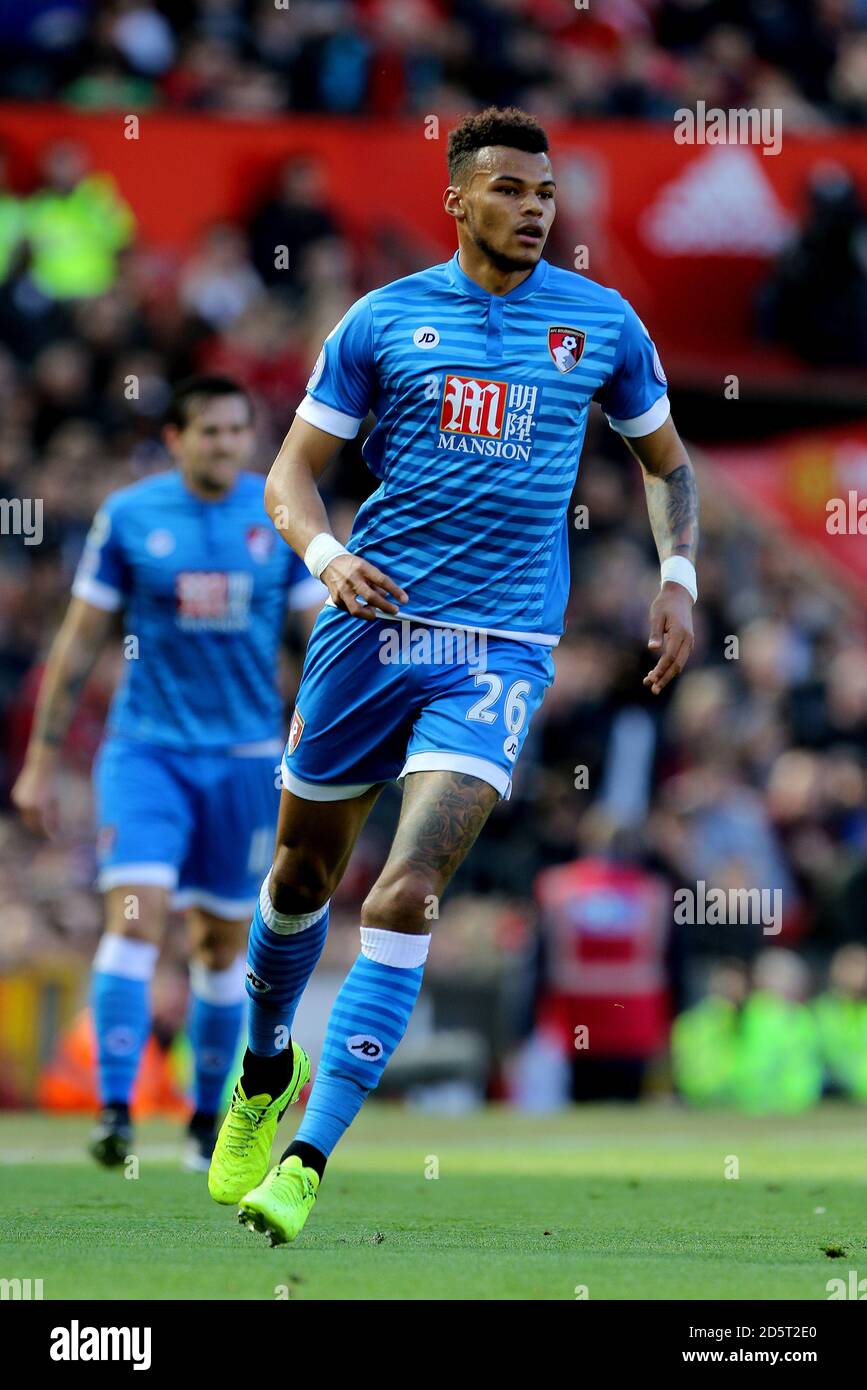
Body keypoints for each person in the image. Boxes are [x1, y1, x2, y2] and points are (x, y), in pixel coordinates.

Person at [207, 105, 700, 1245]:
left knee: (406, 887)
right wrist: (328, 561)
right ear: (458, 200)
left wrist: (678, 574)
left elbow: (667, 464)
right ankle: (262, 1066)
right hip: (369, 633)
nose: (535, 209)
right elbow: (289, 479)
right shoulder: (383, 322)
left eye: (546, 193)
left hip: (498, 649)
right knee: (296, 881)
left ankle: (307, 1162)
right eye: (512, 191)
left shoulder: (601, 323)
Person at [11, 374, 324, 1169]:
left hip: (248, 762)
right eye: (209, 431)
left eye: (236, 430)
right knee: (136, 917)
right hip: (145, 753)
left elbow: (317, 637)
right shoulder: (131, 516)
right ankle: (115, 1109)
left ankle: (200, 1121)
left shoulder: (276, 513)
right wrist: (42, 762)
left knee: (222, 947)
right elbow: (80, 642)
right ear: (177, 439)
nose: (226, 444)